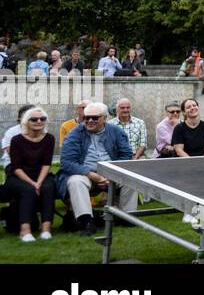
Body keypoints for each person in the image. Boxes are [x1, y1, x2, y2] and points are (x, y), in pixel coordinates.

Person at [56, 102, 137, 236]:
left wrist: (110, 173)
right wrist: (92, 175)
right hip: (86, 174)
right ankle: (87, 222)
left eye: (95, 118)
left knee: (131, 178)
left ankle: (127, 218)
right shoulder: (75, 134)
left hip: (111, 171)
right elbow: (67, 162)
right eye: (87, 117)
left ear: (104, 118)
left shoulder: (116, 131)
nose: (90, 121)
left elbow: (126, 155)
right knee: (76, 182)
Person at [4, 107, 56, 241]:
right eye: (34, 119)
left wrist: (38, 182)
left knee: (48, 187)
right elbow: (16, 167)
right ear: (26, 121)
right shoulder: (16, 139)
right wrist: (33, 184)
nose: (39, 121)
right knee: (28, 190)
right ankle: (25, 231)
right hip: (18, 176)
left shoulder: (49, 138)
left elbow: (47, 164)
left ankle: (46, 229)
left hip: (41, 174)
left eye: (42, 119)